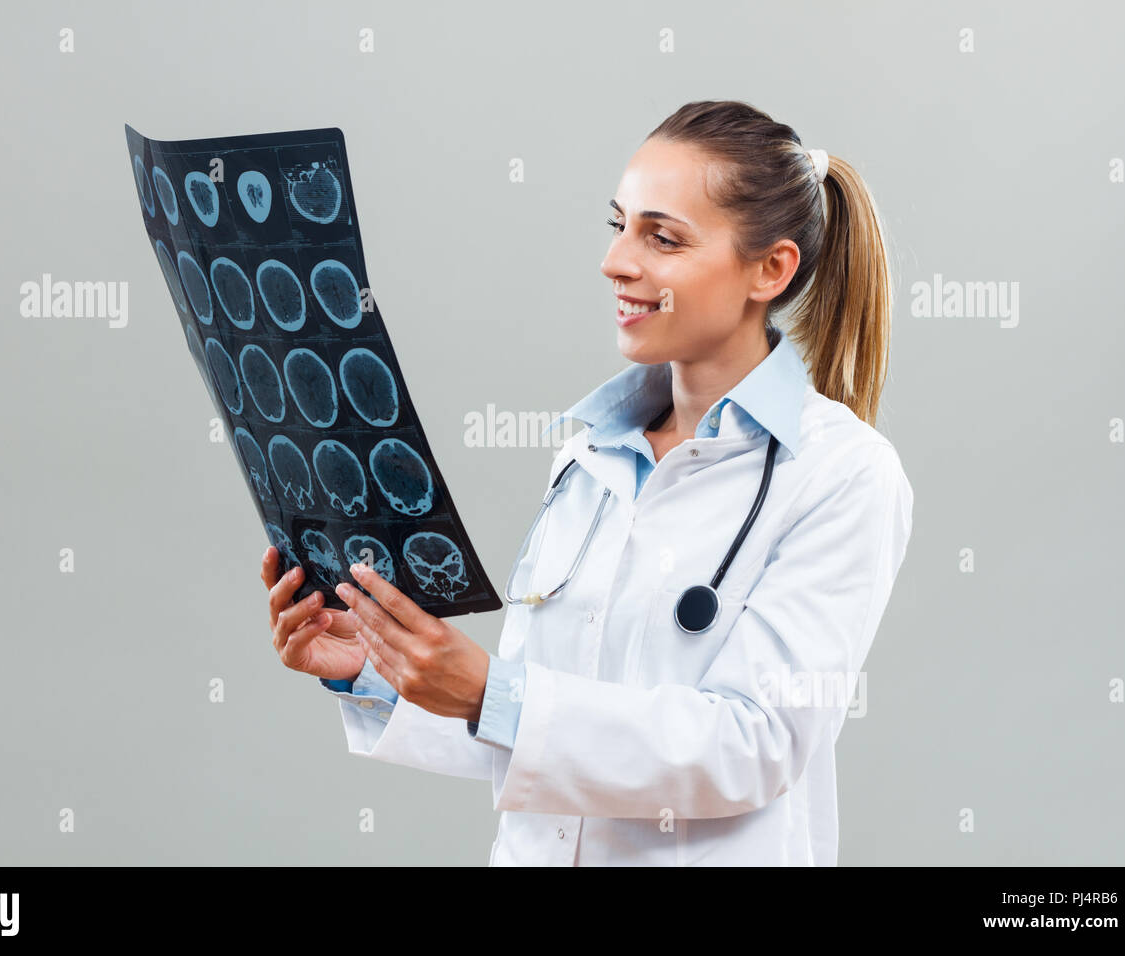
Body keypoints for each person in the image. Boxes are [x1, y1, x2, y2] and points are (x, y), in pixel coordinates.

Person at [262, 99, 914, 866]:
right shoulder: (588, 457)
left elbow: (756, 744)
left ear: (769, 269)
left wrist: (493, 694)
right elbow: (532, 734)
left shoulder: (842, 473)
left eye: (662, 237)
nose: (617, 262)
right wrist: (370, 672)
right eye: (620, 226)